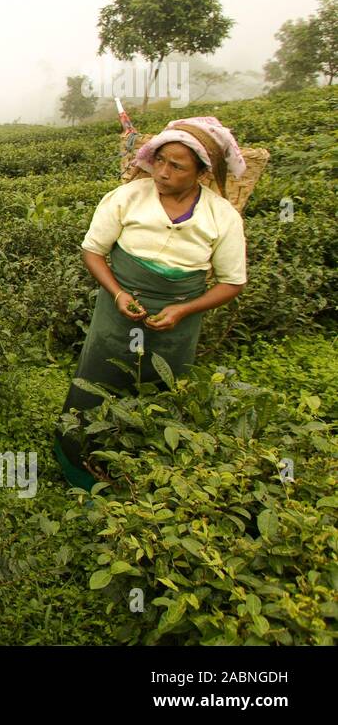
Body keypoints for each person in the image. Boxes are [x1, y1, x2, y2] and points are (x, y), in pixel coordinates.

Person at [54, 116, 249, 489]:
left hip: (179, 315)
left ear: (202, 172)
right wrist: (119, 293)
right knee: (99, 374)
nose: (163, 172)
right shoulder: (127, 197)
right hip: (119, 306)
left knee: (161, 384)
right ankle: (77, 458)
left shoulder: (221, 215)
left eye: (177, 166)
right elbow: (93, 251)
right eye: (160, 161)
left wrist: (184, 309)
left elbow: (231, 282)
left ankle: (137, 466)